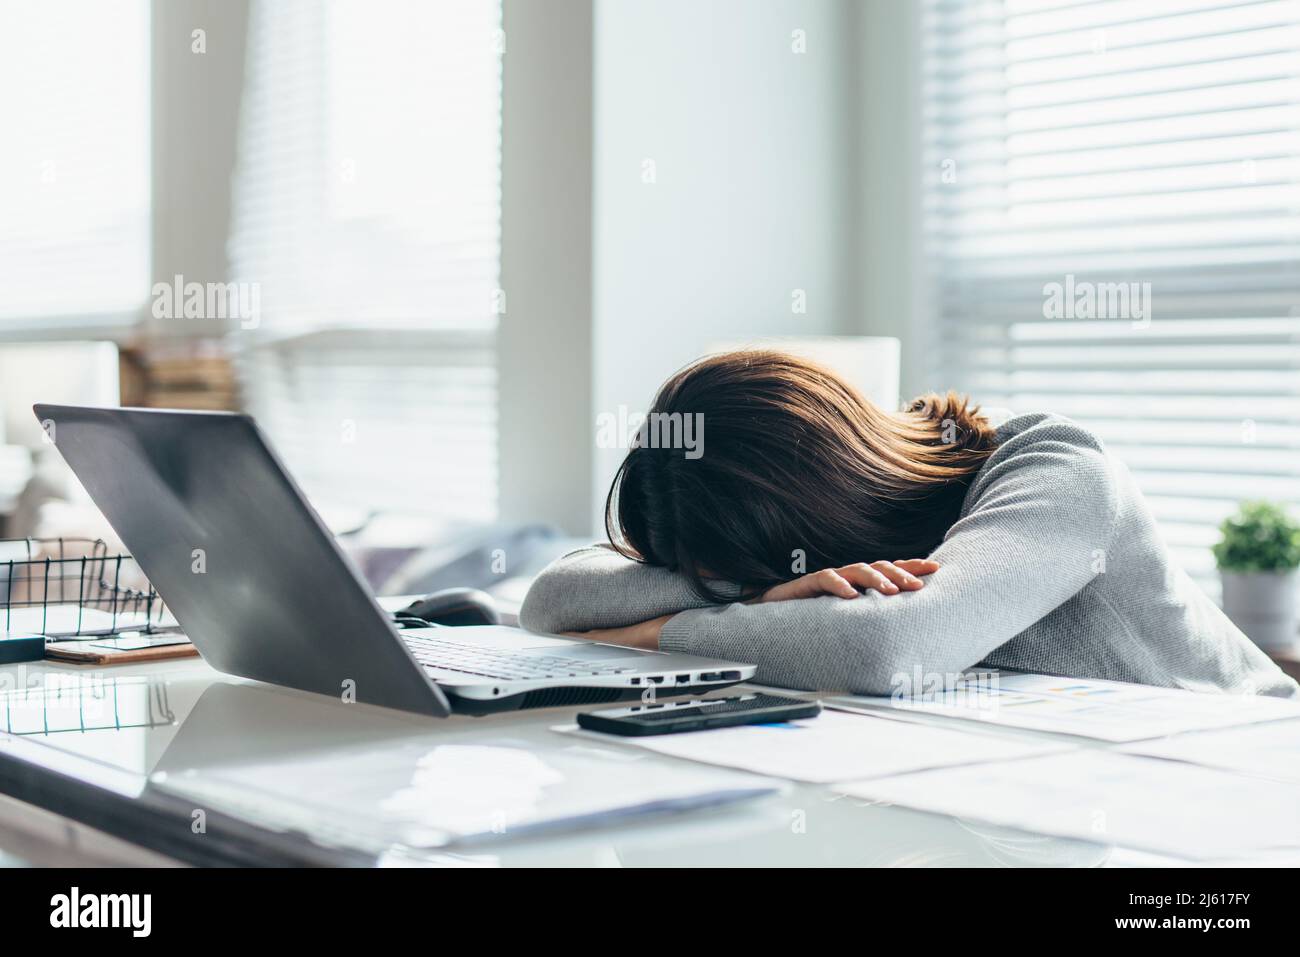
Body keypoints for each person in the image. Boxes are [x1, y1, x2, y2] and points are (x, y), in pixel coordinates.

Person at [520, 350, 1298, 698]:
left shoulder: (1057, 471)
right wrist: (754, 604)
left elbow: (889, 645)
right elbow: (554, 599)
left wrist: (647, 634)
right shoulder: (813, 566)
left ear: (817, 507)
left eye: (744, 581)